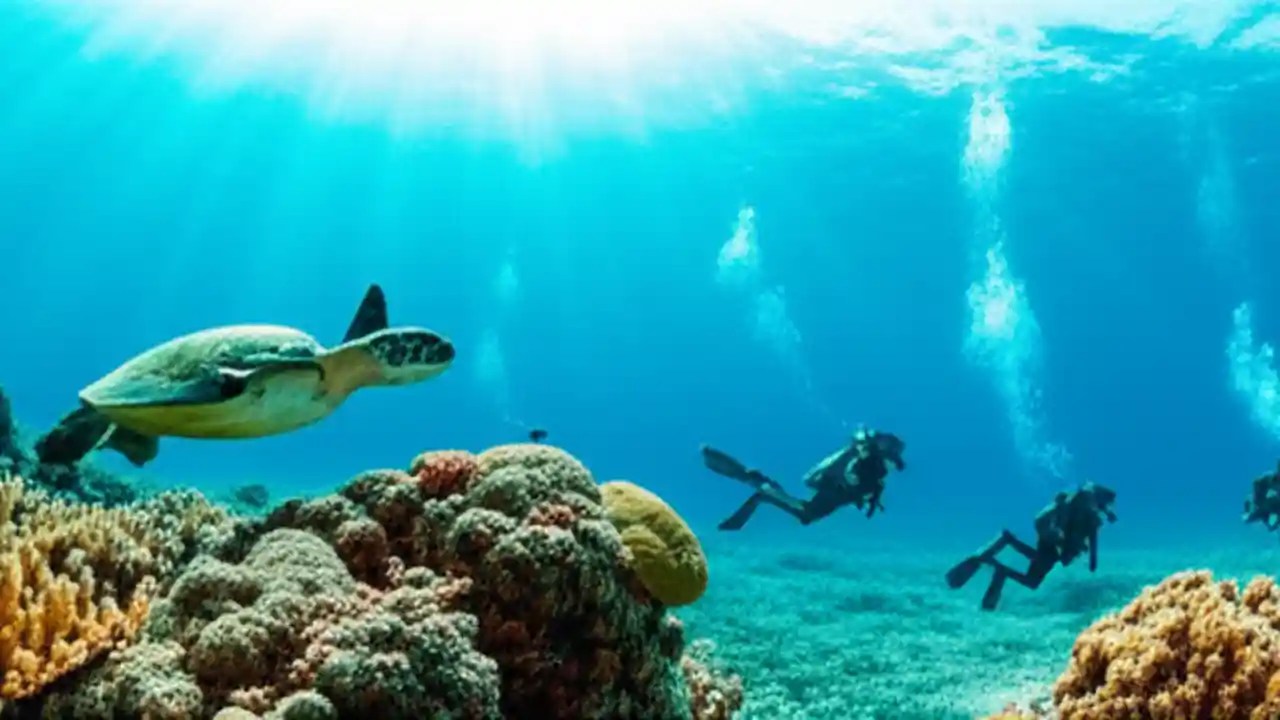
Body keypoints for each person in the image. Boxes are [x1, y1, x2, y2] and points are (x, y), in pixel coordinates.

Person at [945, 481, 1117, 611]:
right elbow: (1092, 540)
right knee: (1033, 580)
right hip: (1053, 543)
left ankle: (1007, 545)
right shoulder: (1087, 514)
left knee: (1035, 571)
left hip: (1052, 543)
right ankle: (1002, 567)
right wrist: (1092, 560)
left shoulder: (1082, 508)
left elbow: (1091, 531)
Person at [700, 426, 906, 531]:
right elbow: (853, 475)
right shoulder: (867, 462)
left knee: (806, 514)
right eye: (892, 448)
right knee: (806, 514)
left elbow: (864, 483)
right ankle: (763, 487)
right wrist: (853, 486)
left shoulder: (874, 466)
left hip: (834, 493)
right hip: (833, 494)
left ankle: (764, 488)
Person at [1243, 460, 1280, 530]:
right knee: (1248, 519)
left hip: (1274, 506)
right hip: (1266, 504)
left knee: (1272, 526)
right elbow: (1257, 482)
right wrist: (1257, 500)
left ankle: (1270, 523)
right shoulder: (1269, 478)